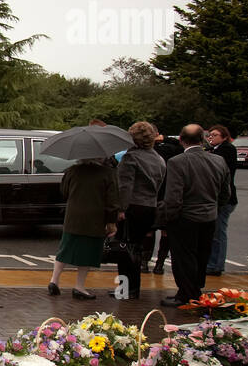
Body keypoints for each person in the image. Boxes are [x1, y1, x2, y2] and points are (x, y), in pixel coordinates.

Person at [157, 124, 230, 307]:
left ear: (181, 140)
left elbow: (174, 196)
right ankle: (195, 290)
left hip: (185, 217)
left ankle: (186, 294)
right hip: (209, 216)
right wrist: (215, 207)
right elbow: (225, 193)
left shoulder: (177, 162)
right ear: (203, 139)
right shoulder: (219, 161)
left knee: (183, 258)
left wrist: (167, 218)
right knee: (202, 256)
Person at [47, 157, 120, 300]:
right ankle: (79, 287)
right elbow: (112, 199)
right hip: (95, 218)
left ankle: (54, 280)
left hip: (73, 216)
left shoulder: (72, 171)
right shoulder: (107, 173)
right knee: (89, 252)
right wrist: (111, 221)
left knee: (66, 248)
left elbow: (64, 191)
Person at [114, 121, 166, 299]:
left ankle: (126, 289)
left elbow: (125, 187)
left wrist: (121, 209)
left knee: (125, 249)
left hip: (132, 207)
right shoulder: (158, 159)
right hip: (149, 207)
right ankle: (132, 288)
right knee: (137, 248)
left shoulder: (130, 157)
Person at [204, 125, 238, 276]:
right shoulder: (215, 150)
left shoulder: (227, 150)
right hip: (219, 198)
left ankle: (216, 264)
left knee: (218, 232)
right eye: (210, 135)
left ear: (224, 137)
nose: (211, 137)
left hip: (225, 199)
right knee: (214, 232)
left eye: (215, 135)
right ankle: (213, 262)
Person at [151, 131, 184, 274]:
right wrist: (165, 138)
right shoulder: (170, 149)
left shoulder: (150, 152)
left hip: (156, 194)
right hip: (165, 194)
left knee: (150, 231)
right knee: (164, 232)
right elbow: (180, 146)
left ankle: (148, 263)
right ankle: (158, 264)